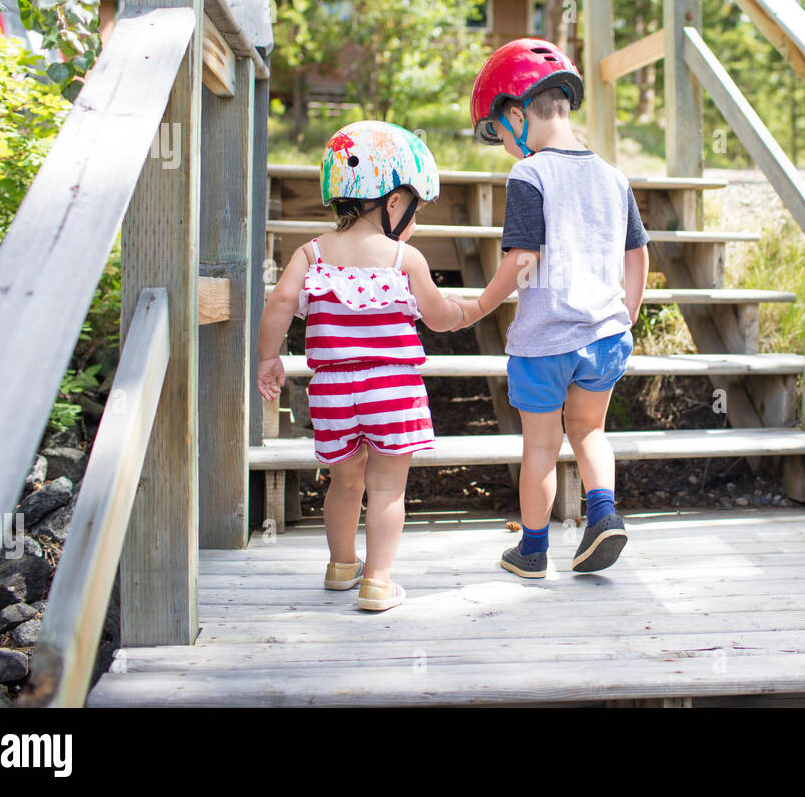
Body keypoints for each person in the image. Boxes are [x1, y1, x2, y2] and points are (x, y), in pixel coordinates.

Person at [455, 38, 649, 578]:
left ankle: (534, 550)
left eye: (500, 133)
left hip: (545, 340)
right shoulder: (615, 176)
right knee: (589, 431)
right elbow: (638, 253)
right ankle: (603, 514)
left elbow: (522, 258)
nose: (505, 146)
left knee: (541, 446)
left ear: (517, 113)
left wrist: (478, 307)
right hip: (606, 335)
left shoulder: (530, 175)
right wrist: (625, 313)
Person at [256, 121, 464, 611]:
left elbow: (281, 301)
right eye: (413, 207)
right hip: (392, 389)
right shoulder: (403, 257)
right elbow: (436, 315)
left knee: (345, 480)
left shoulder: (310, 254)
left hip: (332, 391)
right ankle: (377, 581)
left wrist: (270, 357)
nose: (413, 221)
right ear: (393, 202)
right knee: (388, 488)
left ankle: (340, 565)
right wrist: (462, 309)